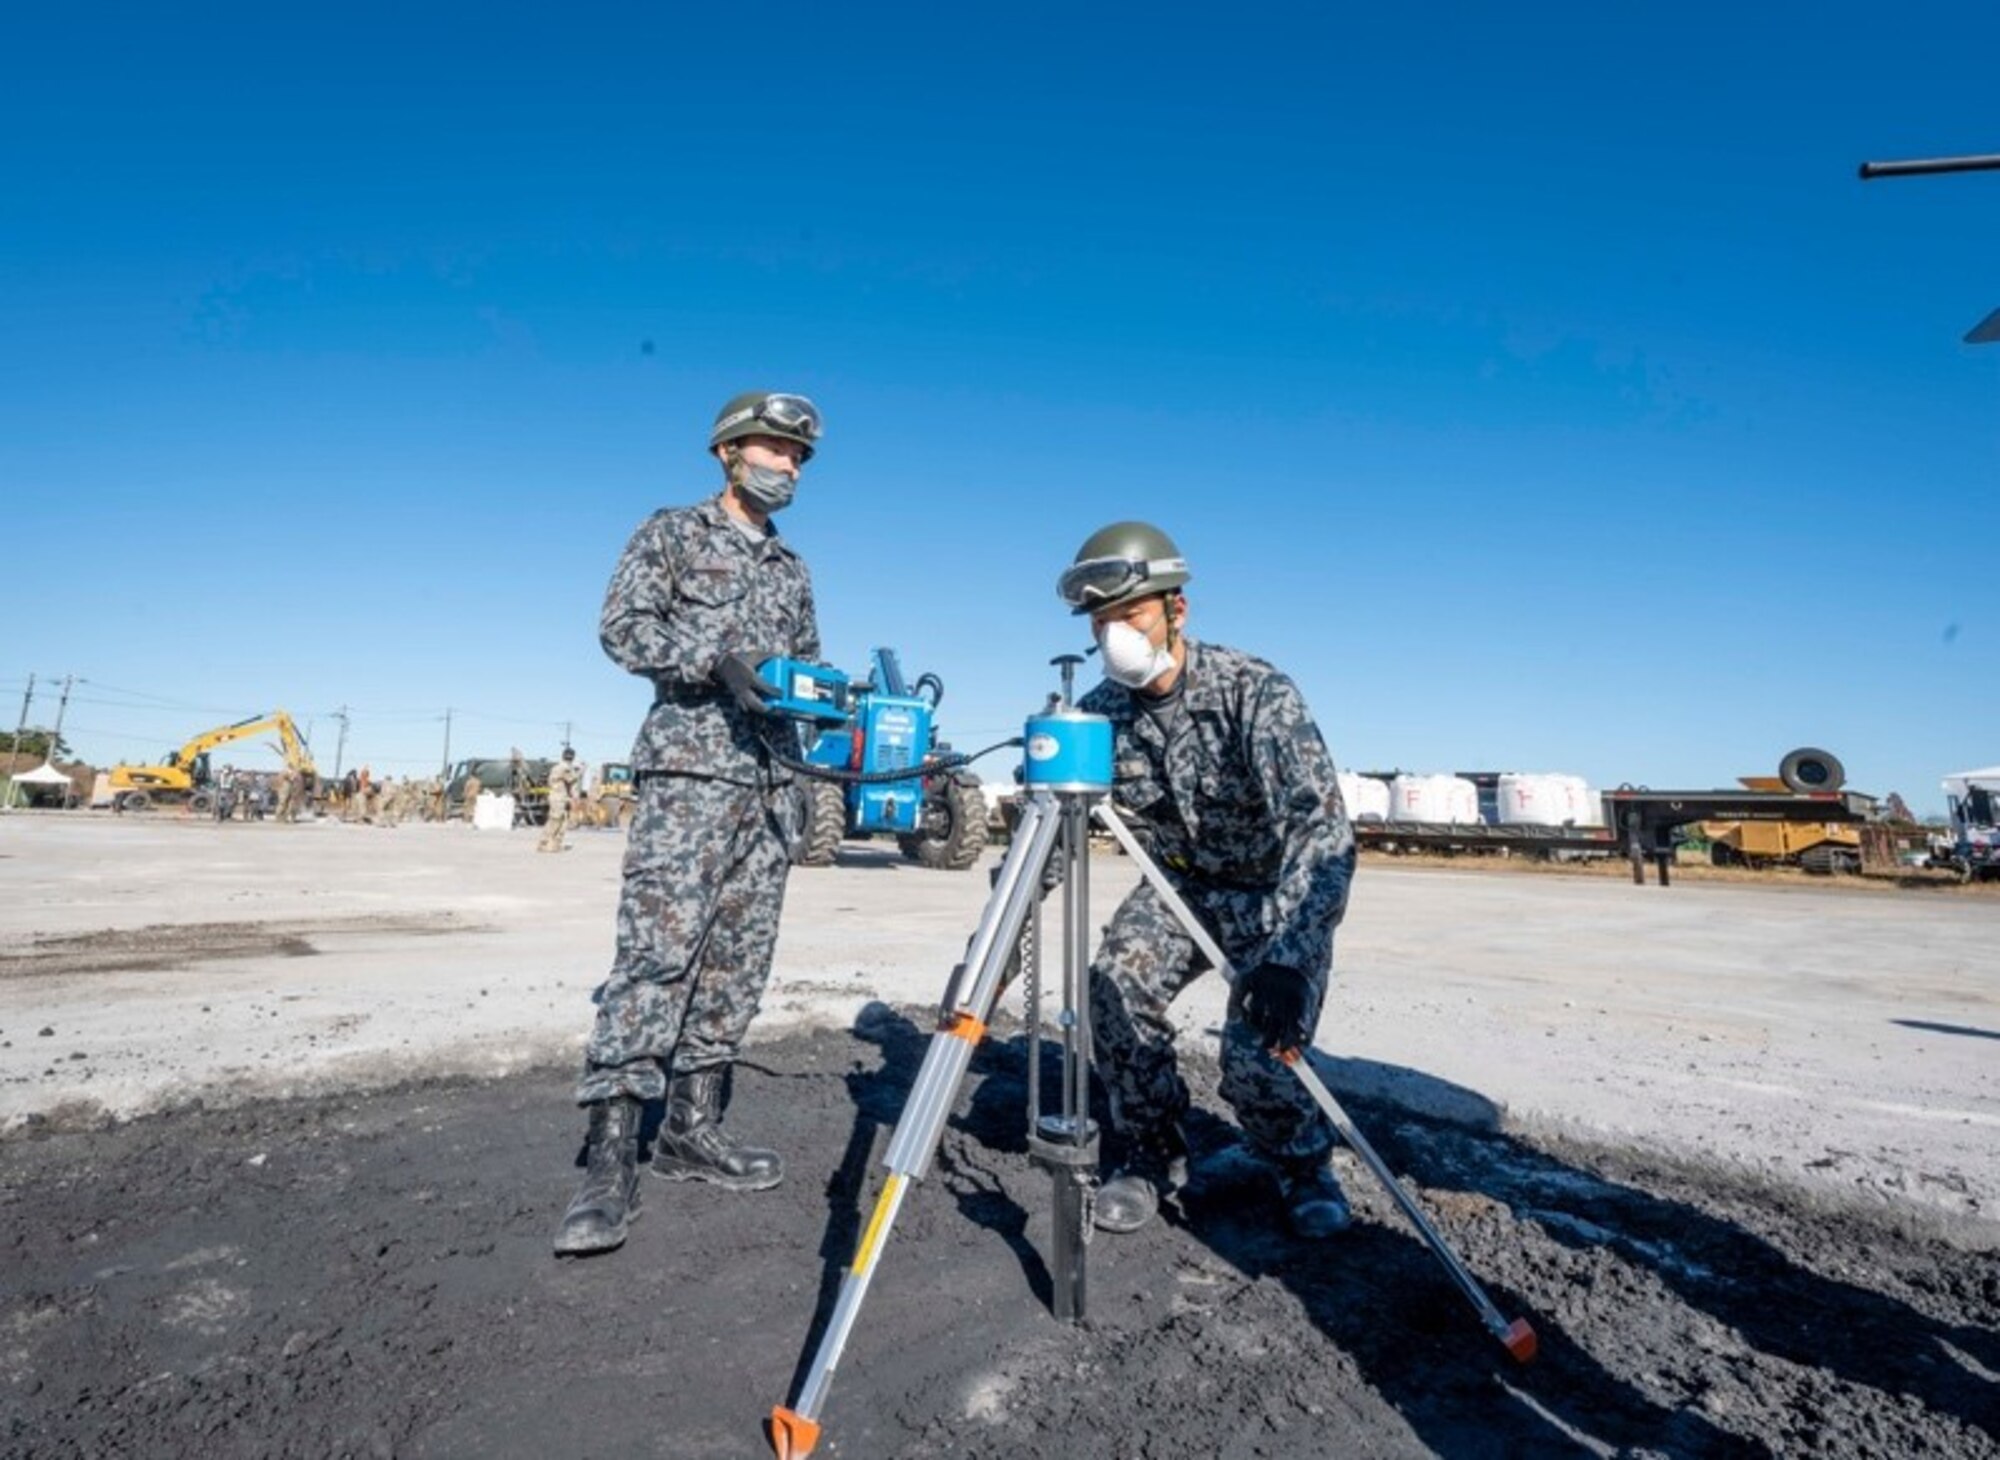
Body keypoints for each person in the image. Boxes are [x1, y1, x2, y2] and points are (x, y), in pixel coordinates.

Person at [554, 389, 824, 1257]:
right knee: (658, 955)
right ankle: (611, 1157)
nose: (785, 464)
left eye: (798, 456)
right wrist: (712, 659)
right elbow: (621, 629)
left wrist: (824, 727)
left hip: (773, 784)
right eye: (773, 448)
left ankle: (691, 1130)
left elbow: (807, 669)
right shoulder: (672, 533)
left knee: (738, 962)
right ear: (727, 451)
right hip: (691, 777)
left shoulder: (793, 571)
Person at [1056, 520, 1358, 1240]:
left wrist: (1290, 954)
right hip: (1180, 889)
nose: (1115, 635)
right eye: (1102, 623)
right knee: (1113, 987)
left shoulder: (1251, 691)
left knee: (1257, 1053)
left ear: (1175, 610)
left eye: (1130, 615)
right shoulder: (1097, 717)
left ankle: (1299, 1161)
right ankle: (1152, 1154)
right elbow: (1057, 838)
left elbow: (1321, 829)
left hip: (1270, 893)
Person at [539, 748, 583, 852]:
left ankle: (555, 844)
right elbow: (571, 778)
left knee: (563, 821)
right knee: (555, 820)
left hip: (562, 797)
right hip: (557, 797)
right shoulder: (563, 767)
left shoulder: (565, 767)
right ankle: (544, 843)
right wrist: (581, 770)